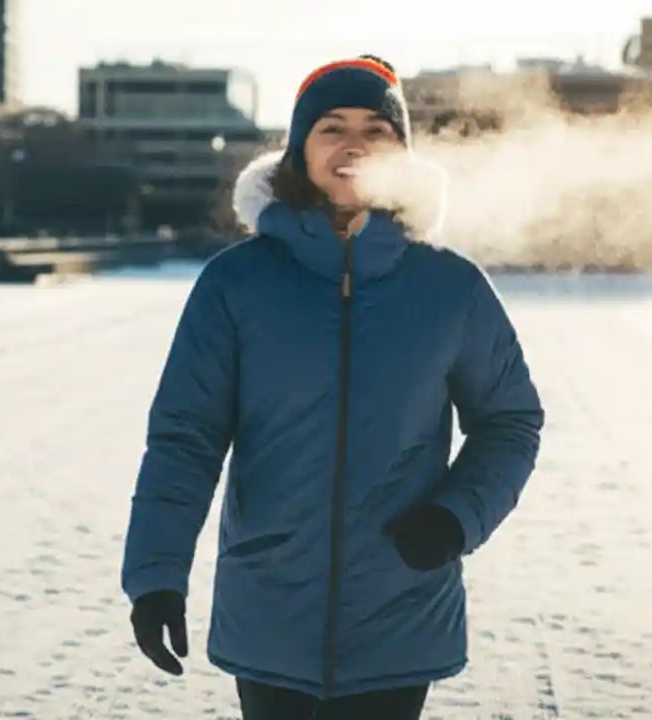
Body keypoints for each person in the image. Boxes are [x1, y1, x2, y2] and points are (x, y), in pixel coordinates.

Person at [121, 55, 545, 720]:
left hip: (400, 609)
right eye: (331, 128)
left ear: (401, 153)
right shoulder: (237, 284)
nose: (354, 145)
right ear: (298, 150)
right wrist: (155, 576)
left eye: (377, 129)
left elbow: (511, 421)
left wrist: (455, 517)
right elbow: (186, 438)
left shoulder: (449, 287)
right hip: (270, 606)